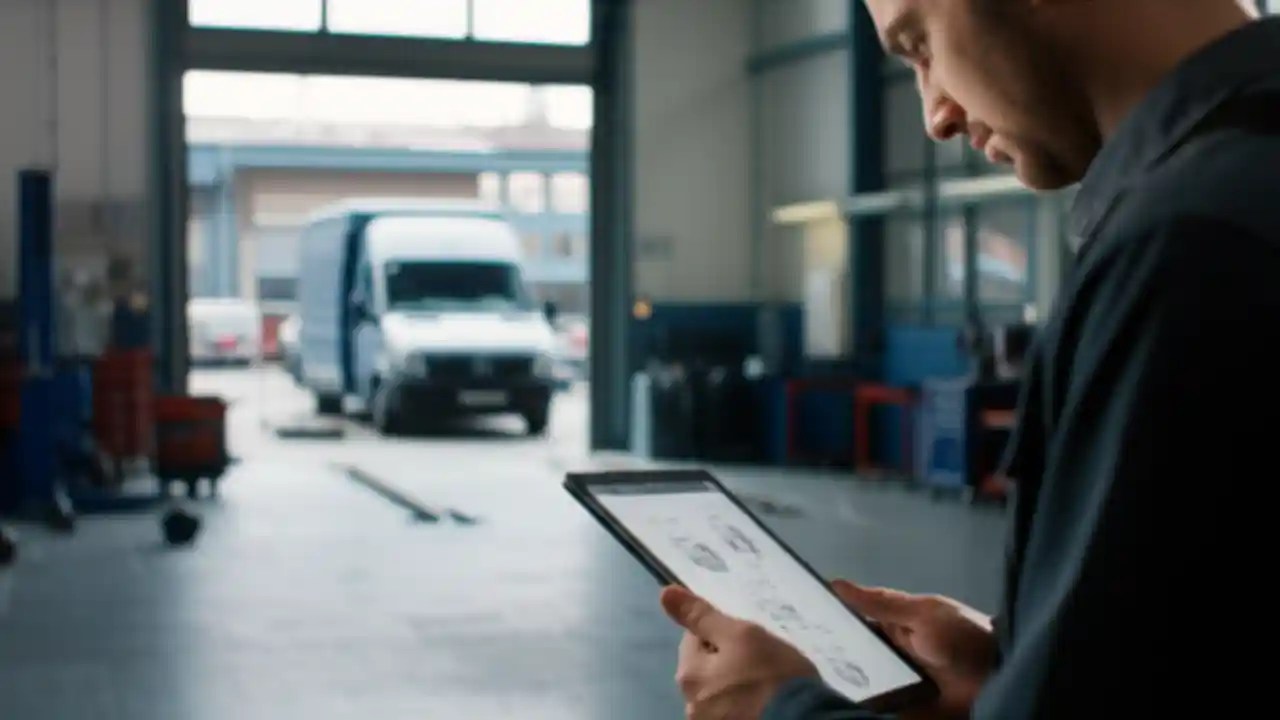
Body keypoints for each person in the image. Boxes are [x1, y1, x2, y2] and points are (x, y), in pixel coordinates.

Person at [658, 1, 1280, 718]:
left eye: (921, 45)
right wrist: (1018, 665)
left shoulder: (1185, 251)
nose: (936, 115)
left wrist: (778, 707)